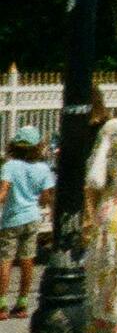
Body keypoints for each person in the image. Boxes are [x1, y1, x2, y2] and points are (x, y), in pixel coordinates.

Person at [1, 130, 50, 318]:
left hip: (11, 219)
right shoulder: (43, 168)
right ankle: (22, 303)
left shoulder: (10, 166)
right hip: (32, 217)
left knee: (5, 260)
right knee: (27, 259)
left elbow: (3, 192)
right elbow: (45, 198)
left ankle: (2, 304)